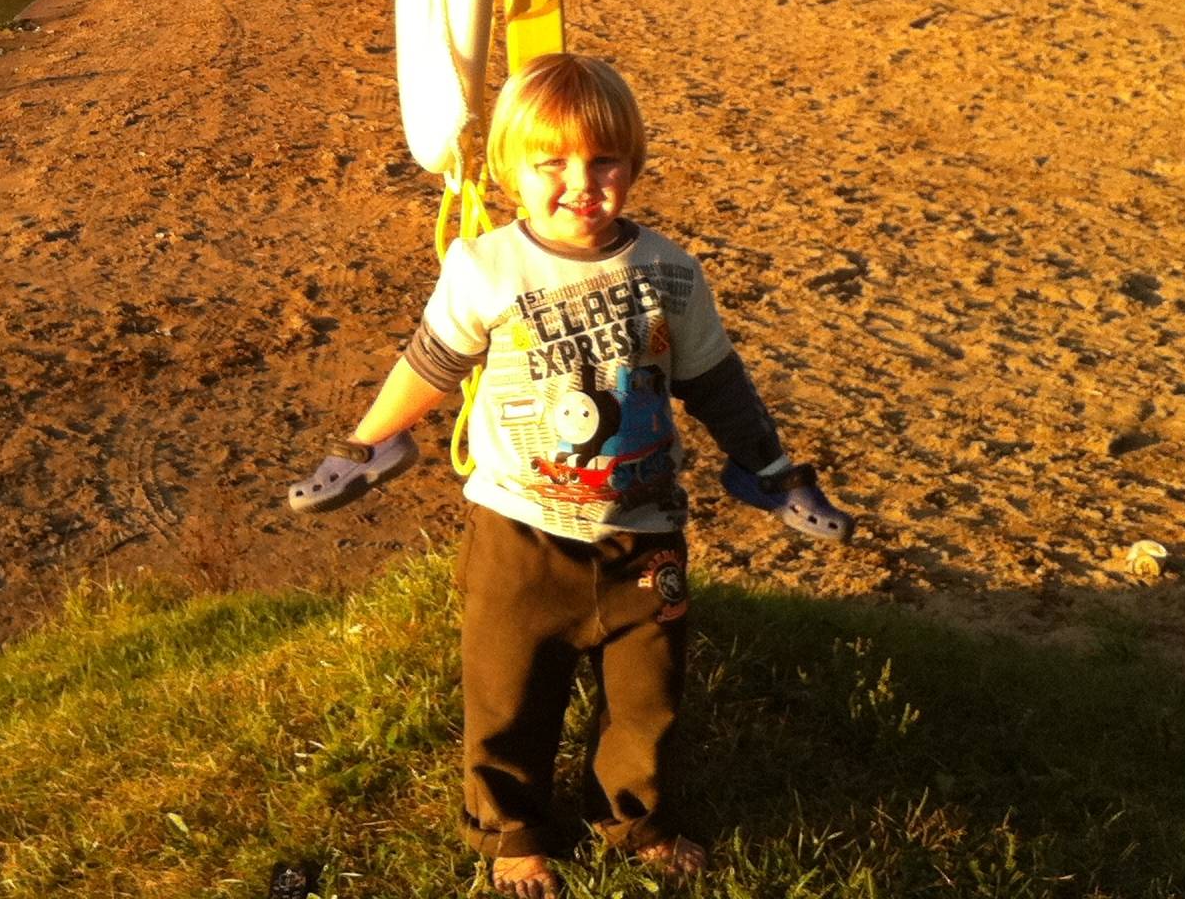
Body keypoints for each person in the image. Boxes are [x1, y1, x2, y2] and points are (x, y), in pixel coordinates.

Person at [284, 53, 852, 895]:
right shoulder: (485, 268)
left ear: (634, 164)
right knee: (509, 694)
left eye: (604, 160)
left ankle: (634, 818)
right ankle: (513, 831)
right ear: (510, 168)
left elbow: (716, 382)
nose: (579, 182)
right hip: (519, 532)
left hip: (646, 529)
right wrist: (363, 446)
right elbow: (429, 364)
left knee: (648, 699)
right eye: (550, 162)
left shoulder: (670, 271)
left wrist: (771, 469)